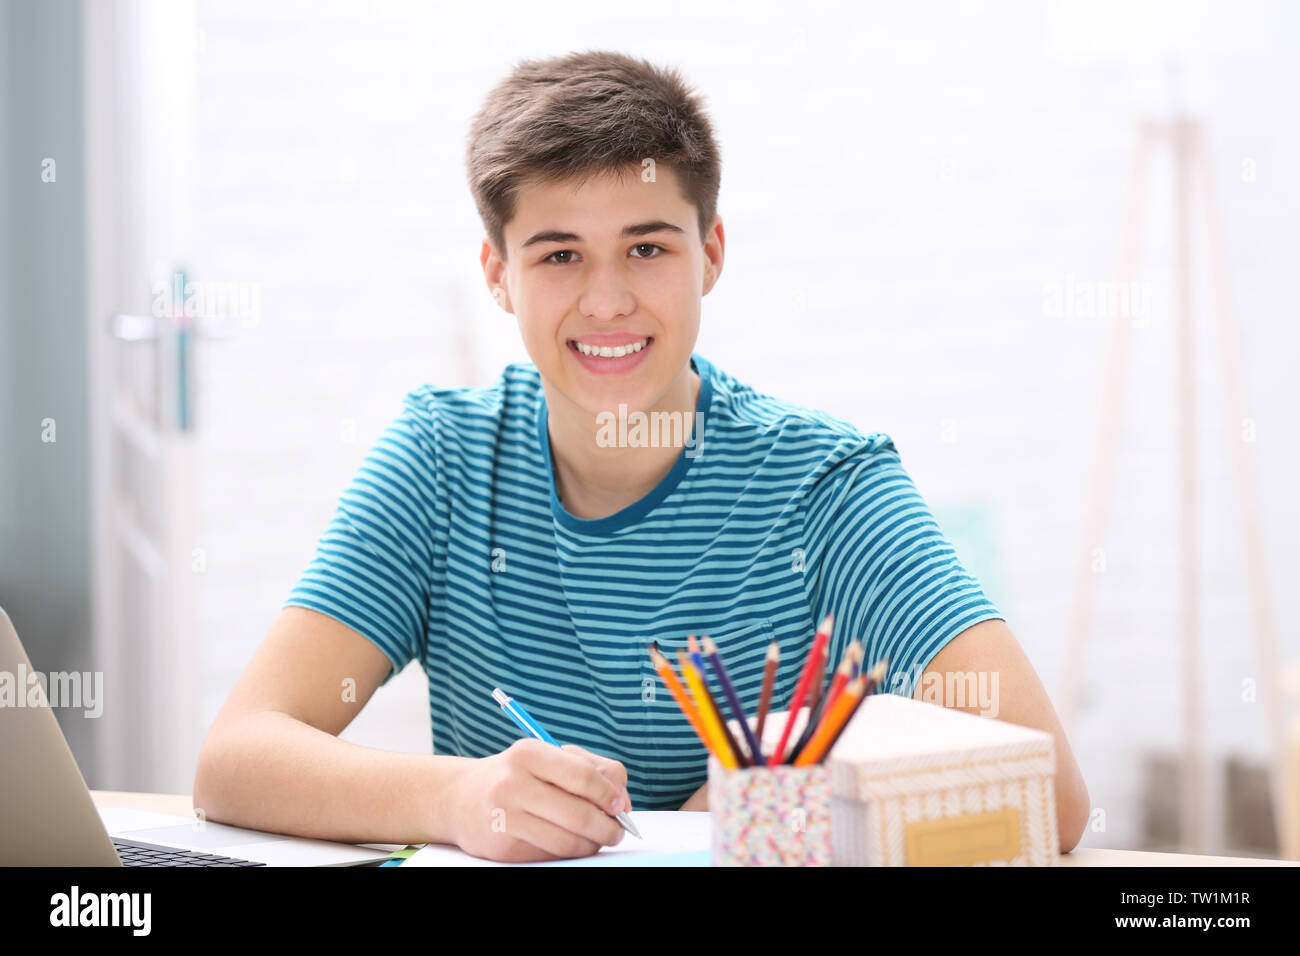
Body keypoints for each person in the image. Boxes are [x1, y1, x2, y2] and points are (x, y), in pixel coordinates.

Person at [194, 50, 1089, 863]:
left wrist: (750, 795)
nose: (608, 299)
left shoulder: (825, 485)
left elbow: (1051, 793)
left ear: (711, 253)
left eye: (648, 247)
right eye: (559, 255)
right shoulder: (443, 460)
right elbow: (236, 756)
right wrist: (458, 795)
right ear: (498, 275)